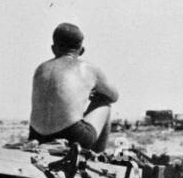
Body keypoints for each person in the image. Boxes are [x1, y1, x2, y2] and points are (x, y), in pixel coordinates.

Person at [29, 23, 119, 153]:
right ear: (81, 51)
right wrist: (93, 92)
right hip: (73, 136)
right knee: (104, 101)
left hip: (37, 137)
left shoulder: (40, 69)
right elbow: (114, 96)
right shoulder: (87, 68)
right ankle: (97, 156)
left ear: (53, 48)